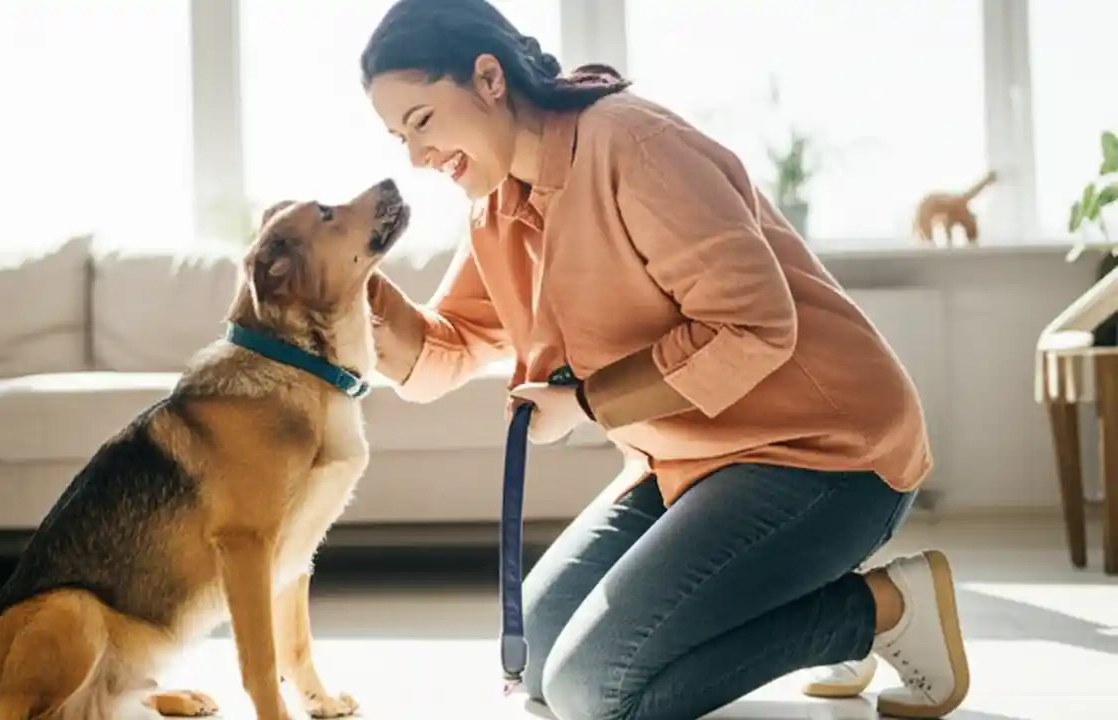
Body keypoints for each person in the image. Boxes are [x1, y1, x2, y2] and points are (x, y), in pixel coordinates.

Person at [359, 1, 969, 718]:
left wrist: (586, 402)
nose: (415, 156)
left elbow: (754, 327)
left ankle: (879, 611)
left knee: (595, 692)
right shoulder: (499, 207)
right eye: (399, 135)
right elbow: (448, 347)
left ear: (488, 77)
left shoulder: (634, 146)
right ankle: (806, 601)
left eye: (423, 120)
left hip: (826, 453)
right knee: (535, 659)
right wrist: (360, 297)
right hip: (693, 465)